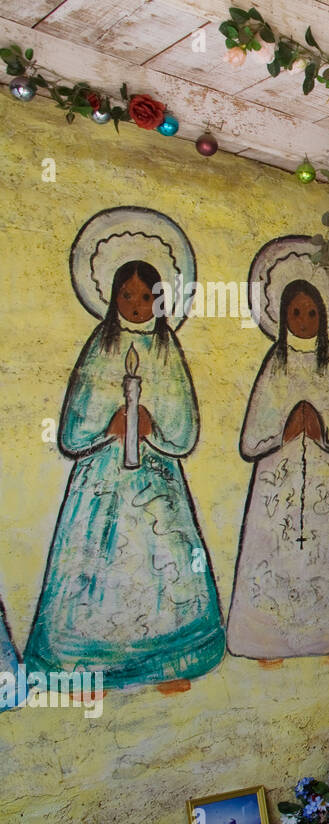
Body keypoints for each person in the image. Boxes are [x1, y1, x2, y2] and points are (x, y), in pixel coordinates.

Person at [27, 252, 225, 687]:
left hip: (156, 477)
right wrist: (107, 424)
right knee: (97, 569)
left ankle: (170, 663)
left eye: (146, 296)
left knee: (163, 564)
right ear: (113, 297)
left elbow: (185, 421)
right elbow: (73, 426)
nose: (137, 304)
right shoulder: (102, 344)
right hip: (102, 481)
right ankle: (81, 670)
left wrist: (155, 425)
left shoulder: (167, 348)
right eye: (127, 294)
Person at [227, 266, 329, 658]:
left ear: (326, 319)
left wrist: (323, 429)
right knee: (274, 561)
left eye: (312, 314)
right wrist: (285, 428)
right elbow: (250, 438)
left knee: (326, 562)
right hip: (278, 484)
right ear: (282, 317)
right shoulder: (274, 366)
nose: (305, 322)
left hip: (327, 485)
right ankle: (266, 643)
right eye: (296, 313)